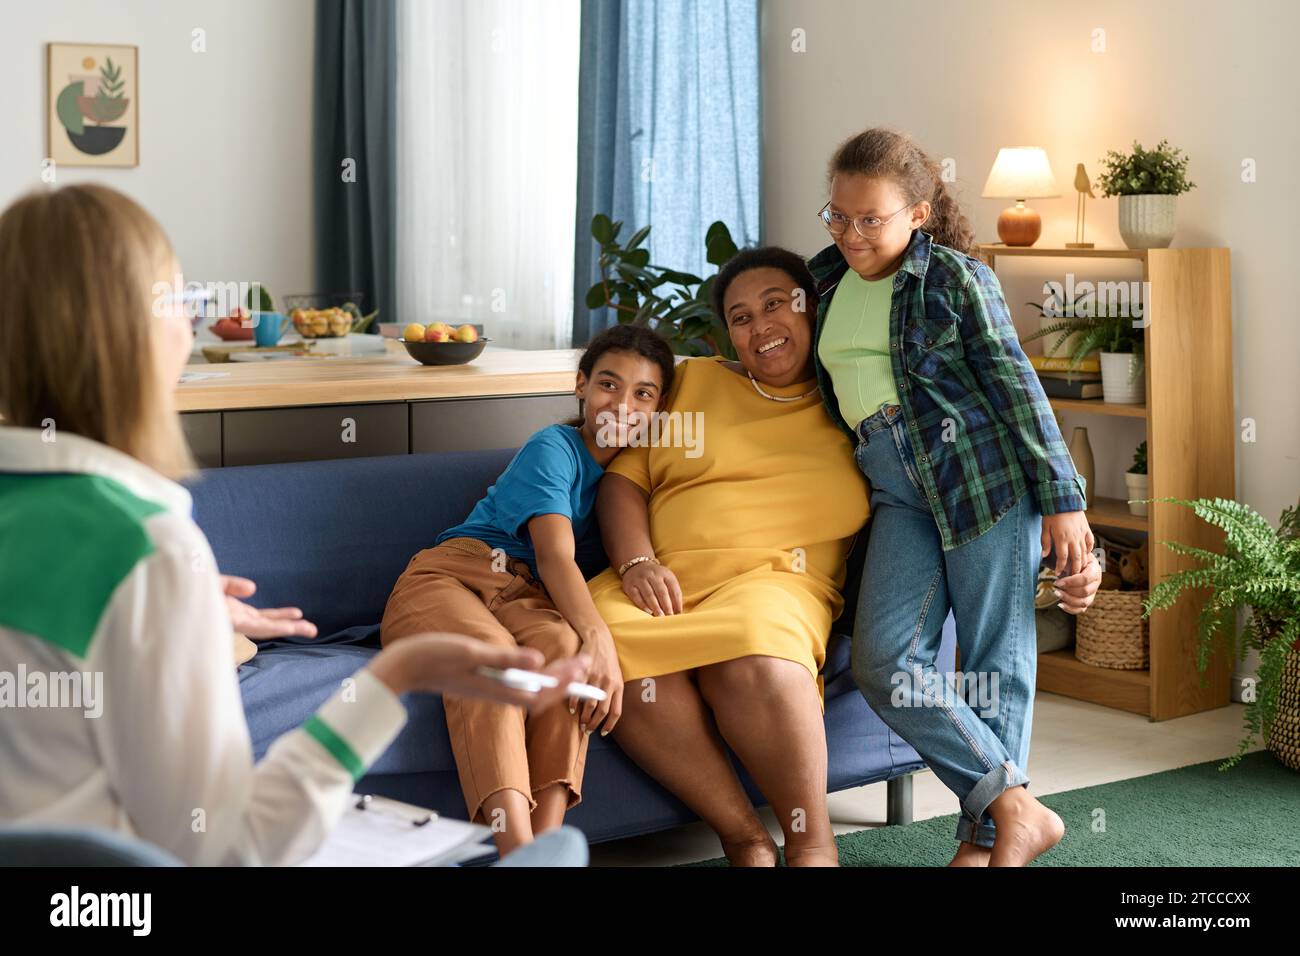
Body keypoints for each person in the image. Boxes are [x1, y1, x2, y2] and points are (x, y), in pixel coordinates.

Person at [0, 183, 588, 866]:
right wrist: (392, 678)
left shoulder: (112, 548)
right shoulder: (142, 545)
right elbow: (227, 847)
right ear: (123, 335)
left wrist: (166, 616)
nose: (189, 327)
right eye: (179, 301)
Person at [810, 127, 1098, 866]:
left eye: (870, 218)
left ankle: (984, 844)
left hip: (983, 479)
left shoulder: (957, 280)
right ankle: (1014, 809)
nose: (850, 234)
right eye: (838, 215)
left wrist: (1064, 501)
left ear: (918, 213)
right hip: (898, 493)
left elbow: (1018, 389)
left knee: (995, 662)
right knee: (884, 662)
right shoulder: (825, 282)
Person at [382, 324, 675, 856]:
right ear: (581, 385)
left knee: (564, 654)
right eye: (608, 384)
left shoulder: (633, 478)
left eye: (643, 393)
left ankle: (546, 849)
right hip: (449, 576)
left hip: (524, 598)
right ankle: (516, 853)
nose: (622, 405)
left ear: (658, 409)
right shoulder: (554, 447)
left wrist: (586, 643)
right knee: (498, 660)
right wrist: (600, 638)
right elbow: (554, 555)